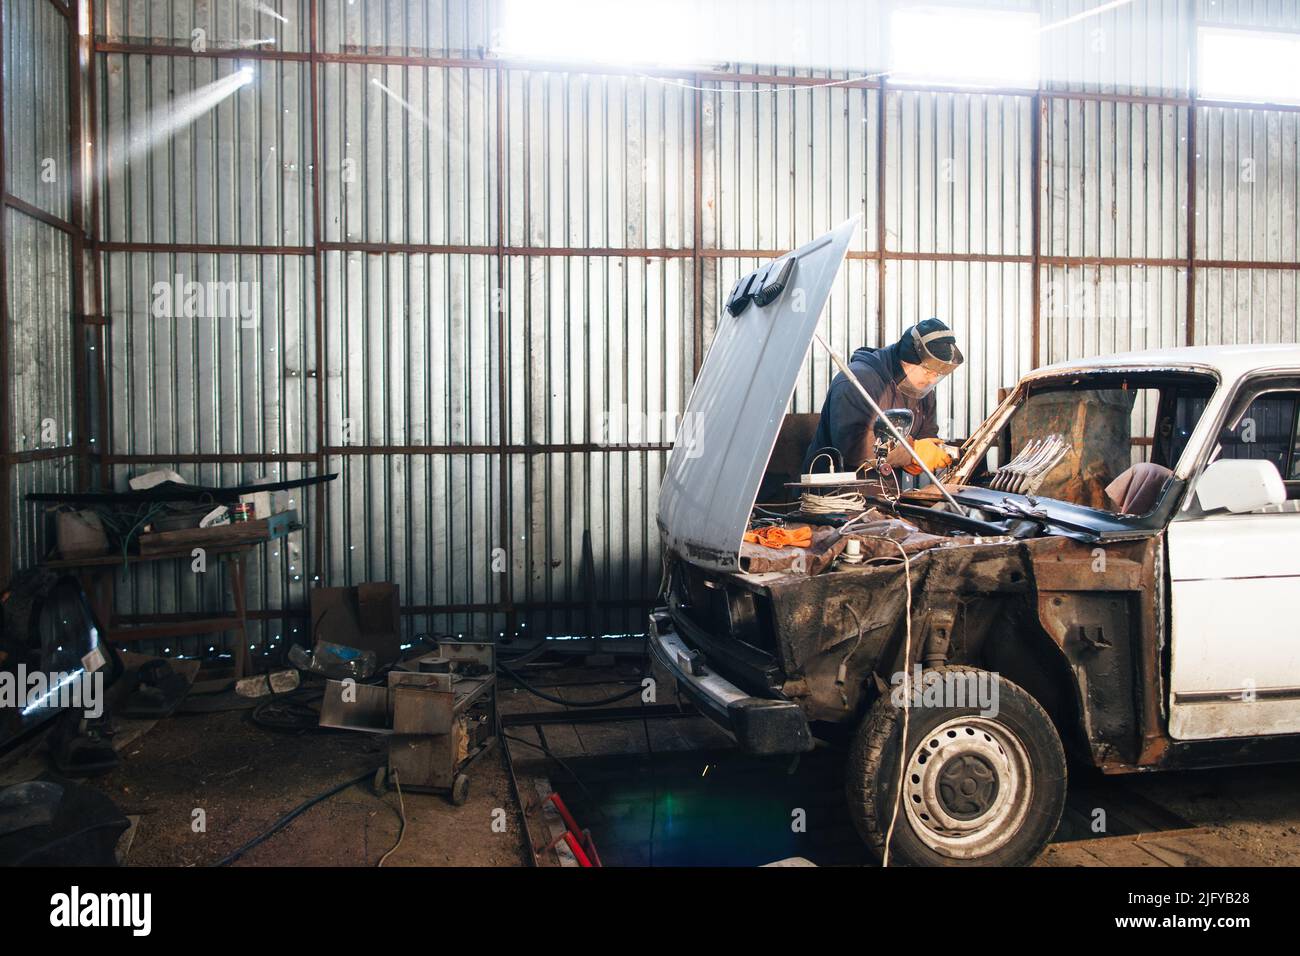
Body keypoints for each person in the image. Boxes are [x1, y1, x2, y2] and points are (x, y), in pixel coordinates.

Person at [803, 318, 964, 476]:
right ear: (907, 362)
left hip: (884, 496)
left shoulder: (923, 390)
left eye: (938, 375)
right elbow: (854, 448)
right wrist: (911, 452)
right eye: (929, 372)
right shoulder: (856, 381)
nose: (932, 380)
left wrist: (929, 453)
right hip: (833, 496)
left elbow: (926, 437)